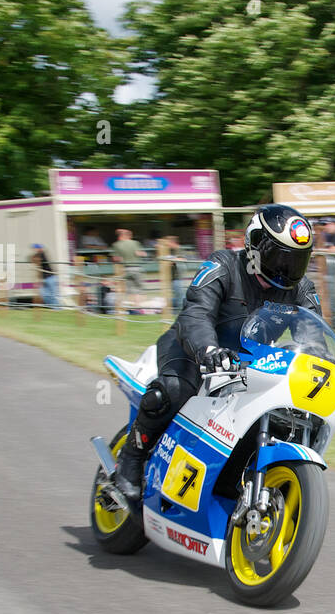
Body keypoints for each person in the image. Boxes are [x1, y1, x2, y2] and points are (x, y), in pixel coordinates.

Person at [111, 203, 321, 502]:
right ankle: (131, 458)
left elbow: (314, 339)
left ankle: (234, 480)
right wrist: (208, 350)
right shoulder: (223, 265)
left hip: (250, 365)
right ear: (255, 244)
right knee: (174, 390)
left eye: (296, 260)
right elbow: (196, 314)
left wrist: (322, 366)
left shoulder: (302, 289)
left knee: (284, 417)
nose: (287, 269)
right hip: (192, 350)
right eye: (279, 257)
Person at [110, 229, 145, 307]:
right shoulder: (135, 243)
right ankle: (139, 306)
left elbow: (116, 258)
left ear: (120, 236)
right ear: (128, 236)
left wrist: (123, 258)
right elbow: (139, 253)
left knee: (129, 289)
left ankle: (131, 306)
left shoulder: (116, 244)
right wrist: (144, 254)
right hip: (137, 268)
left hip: (126, 269)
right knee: (139, 289)